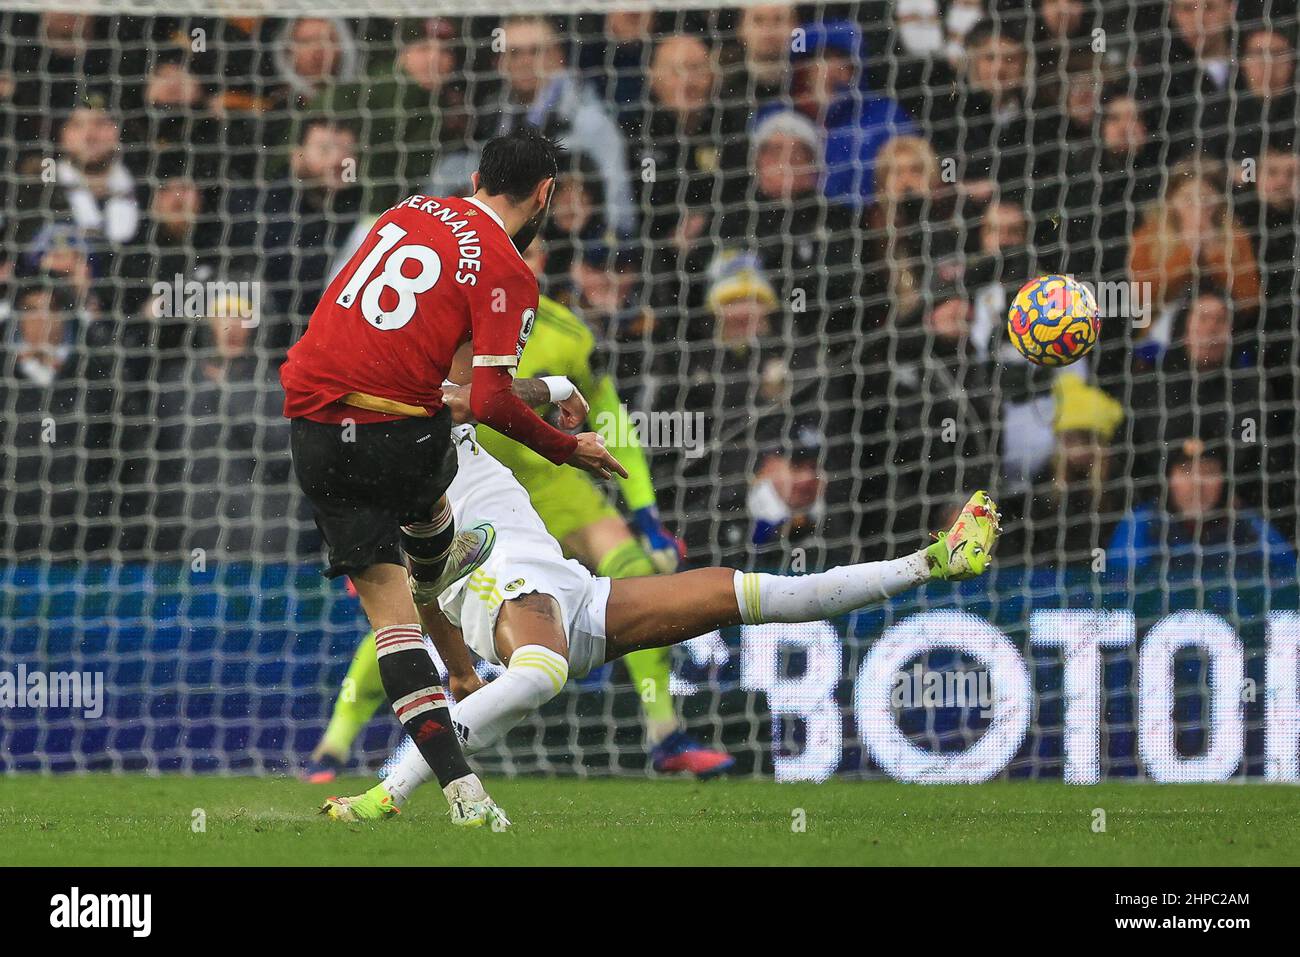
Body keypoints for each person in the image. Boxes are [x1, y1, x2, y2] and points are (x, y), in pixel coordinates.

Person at [318, 389, 1001, 821]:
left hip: (578, 588)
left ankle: (933, 560)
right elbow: (419, 584)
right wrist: (461, 662)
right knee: (538, 672)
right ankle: (391, 792)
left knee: (748, 593)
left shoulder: (432, 402)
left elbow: (492, 397)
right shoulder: (383, 469)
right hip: (503, 585)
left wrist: (561, 390)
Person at [280, 126, 625, 828]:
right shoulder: (507, 269)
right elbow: (486, 400)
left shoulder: (408, 209)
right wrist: (569, 447)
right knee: (437, 473)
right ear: (544, 194)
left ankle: (465, 791)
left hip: (310, 423)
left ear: (474, 177)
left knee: (391, 626)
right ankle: (433, 561)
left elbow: (445, 378)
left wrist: (551, 384)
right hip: (400, 435)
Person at [305, 239, 733, 781]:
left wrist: (646, 516)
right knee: (409, 603)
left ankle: (665, 733)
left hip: (556, 484)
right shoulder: (451, 320)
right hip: (473, 484)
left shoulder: (569, 332)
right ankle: (334, 747)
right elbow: (437, 410)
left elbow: (610, 417)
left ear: (539, 262)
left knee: (637, 566)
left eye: (523, 258)